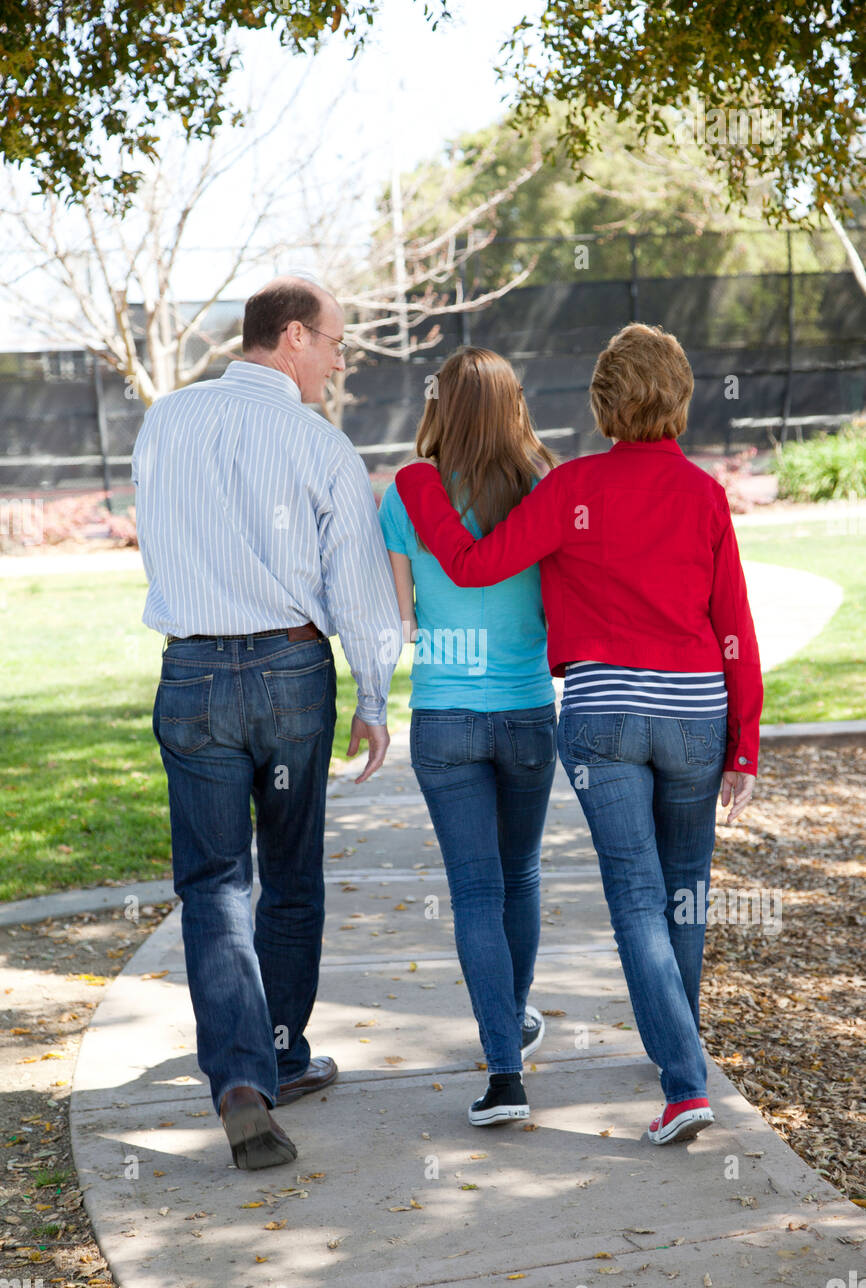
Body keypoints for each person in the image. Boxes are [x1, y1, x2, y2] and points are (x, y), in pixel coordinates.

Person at [394, 323, 763, 1145]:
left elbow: (474, 564)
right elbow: (733, 622)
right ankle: (680, 1056)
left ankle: (683, 1081)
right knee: (685, 889)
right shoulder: (703, 493)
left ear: (602, 405)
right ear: (681, 398)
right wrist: (745, 742)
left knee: (638, 895)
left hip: (604, 718)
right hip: (699, 711)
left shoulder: (572, 490)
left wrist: (422, 488)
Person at [132, 276, 401, 1170]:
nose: (336, 359)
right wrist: (372, 697)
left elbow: (160, 533)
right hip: (290, 673)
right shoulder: (319, 445)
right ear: (291, 338)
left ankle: (240, 1081)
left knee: (213, 884)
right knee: (288, 876)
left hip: (193, 672)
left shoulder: (165, 421)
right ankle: (280, 1056)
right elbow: (359, 588)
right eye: (332, 342)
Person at [379, 347, 559, 1126]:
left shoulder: (405, 494)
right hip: (526, 707)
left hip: (446, 712)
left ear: (440, 406)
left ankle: (504, 1073)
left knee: (477, 893)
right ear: (515, 405)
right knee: (517, 876)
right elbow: (559, 607)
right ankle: (508, 1025)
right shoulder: (546, 489)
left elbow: (403, 619)